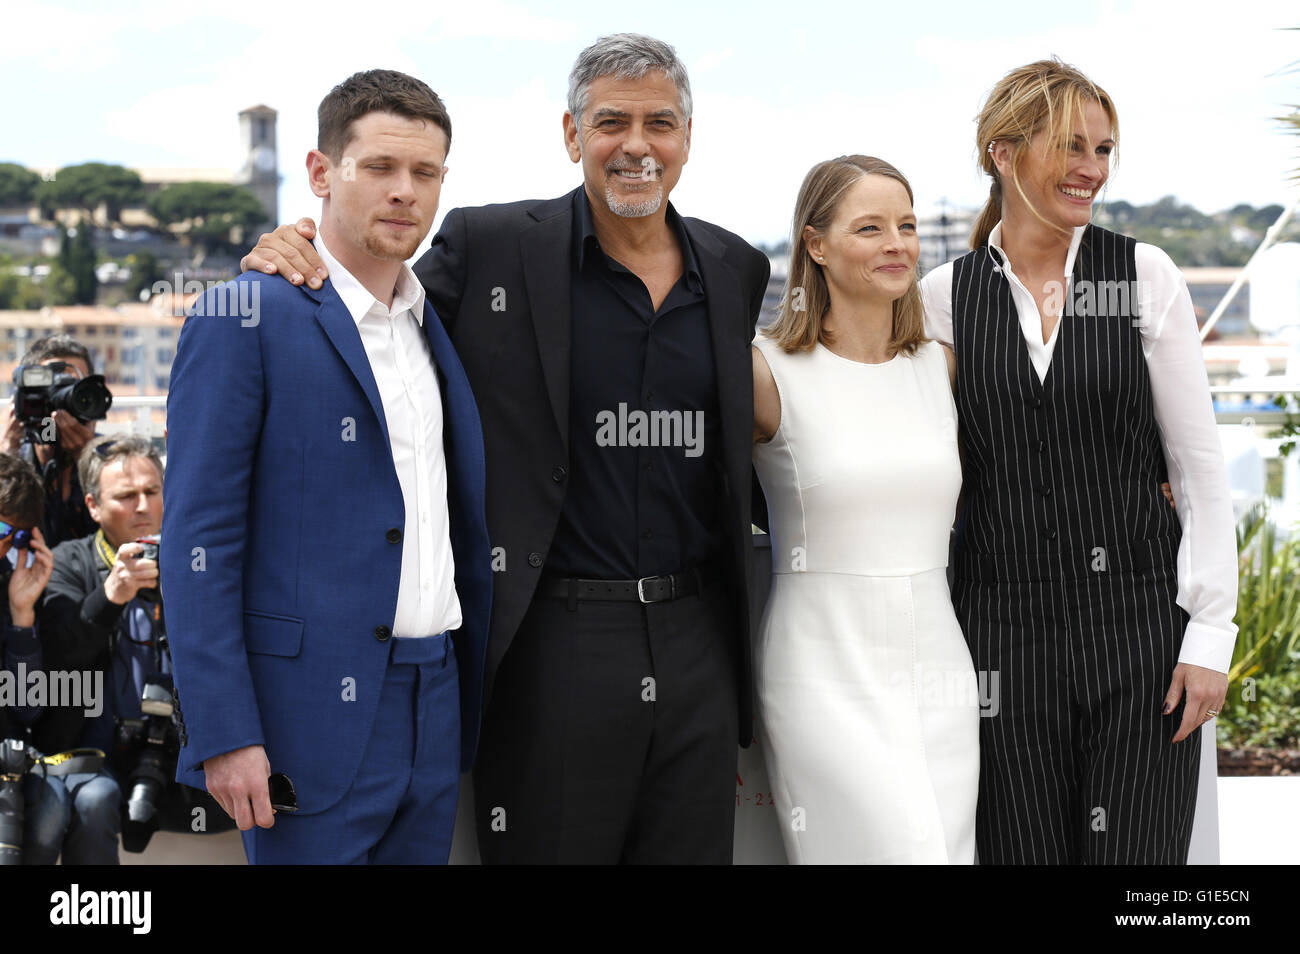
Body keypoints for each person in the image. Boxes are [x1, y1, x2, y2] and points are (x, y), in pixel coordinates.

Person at [241, 34, 769, 864]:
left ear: (688, 138)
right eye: (611, 122)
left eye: (660, 123)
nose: (637, 145)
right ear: (571, 136)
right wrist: (293, 243)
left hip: (699, 639)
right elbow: (370, 307)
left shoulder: (734, 265)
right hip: (551, 644)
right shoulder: (491, 247)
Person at [161, 69, 491, 865]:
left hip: (436, 697)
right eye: (379, 167)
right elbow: (197, 543)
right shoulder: (244, 315)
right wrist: (226, 732)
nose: (404, 191)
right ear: (320, 173)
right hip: (302, 719)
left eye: (425, 173)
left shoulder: (434, 323)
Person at [918, 59, 1238, 864]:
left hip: (1139, 635)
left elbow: (1198, 469)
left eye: (1103, 149)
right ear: (1003, 150)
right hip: (997, 636)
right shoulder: (943, 296)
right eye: (1071, 146)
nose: (1092, 168)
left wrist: (1210, 635)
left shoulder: (1144, 275)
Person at [751, 156, 978, 863]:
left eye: (907, 227)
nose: (897, 245)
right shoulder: (763, 370)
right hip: (821, 666)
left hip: (940, 658)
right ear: (815, 245)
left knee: (943, 851)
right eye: (871, 227)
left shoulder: (940, 367)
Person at [4, 336, 100, 548]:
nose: (59, 403)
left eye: (70, 388)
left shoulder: (110, 457)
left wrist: (88, 457)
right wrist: (8, 451)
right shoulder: (16, 455)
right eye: (49, 388)